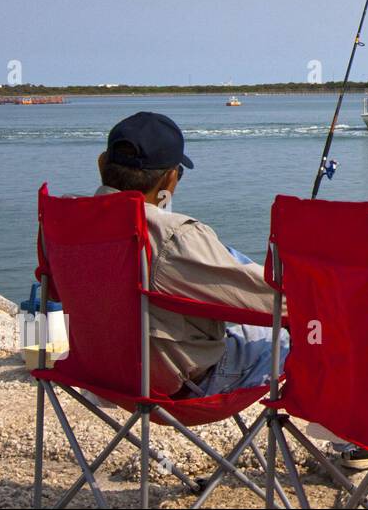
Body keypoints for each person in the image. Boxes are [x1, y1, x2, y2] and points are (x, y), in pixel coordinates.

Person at [93, 112, 284, 399]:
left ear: (101, 164)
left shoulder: (63, 222)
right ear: (171, 178)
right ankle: (351, 442)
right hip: (177, 383)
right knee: (310, 335)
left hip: (100, 374)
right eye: (178, 173)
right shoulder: (173, 237)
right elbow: (276, 302)